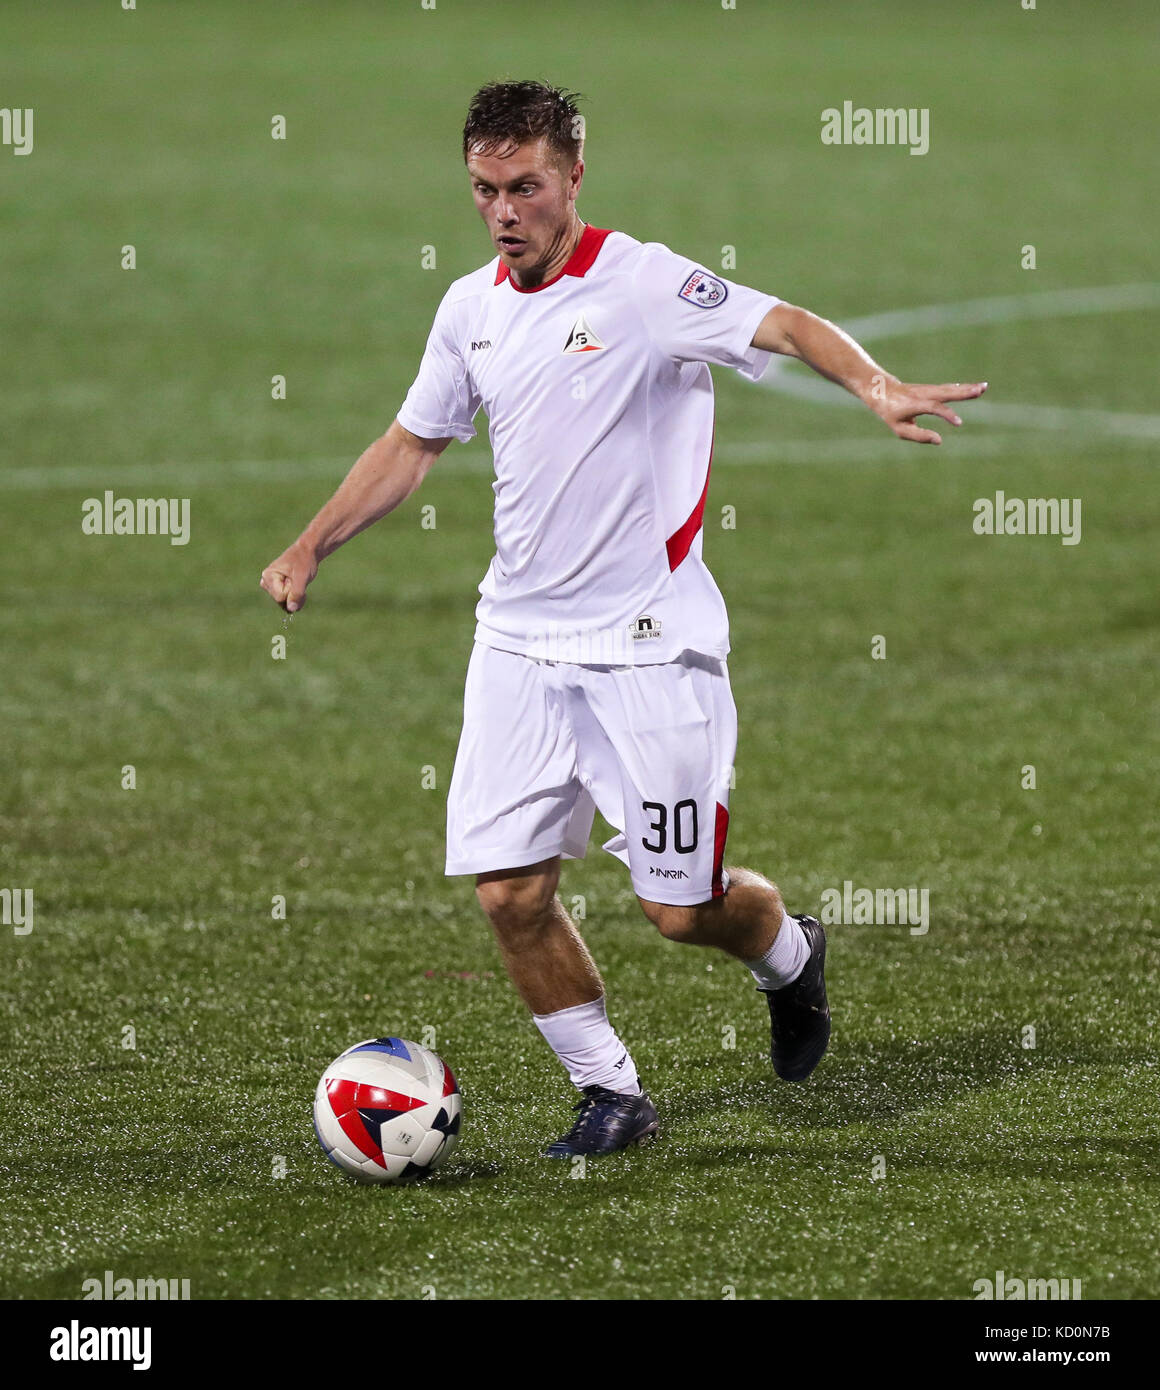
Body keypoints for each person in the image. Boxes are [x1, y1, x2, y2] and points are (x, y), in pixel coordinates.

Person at [261, 80, 986, 1158]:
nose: (503, 210)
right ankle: (612, 1093)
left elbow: (778, 320)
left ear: (572, 179)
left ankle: (787, 953)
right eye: (483, 190)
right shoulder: (470, 309)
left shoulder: (643, 284)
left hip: (651, 649)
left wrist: (872, 384)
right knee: (508, 893)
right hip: (515, 640)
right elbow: (413, 442)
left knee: (680, 913)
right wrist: (310, 541)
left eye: (524, 187)